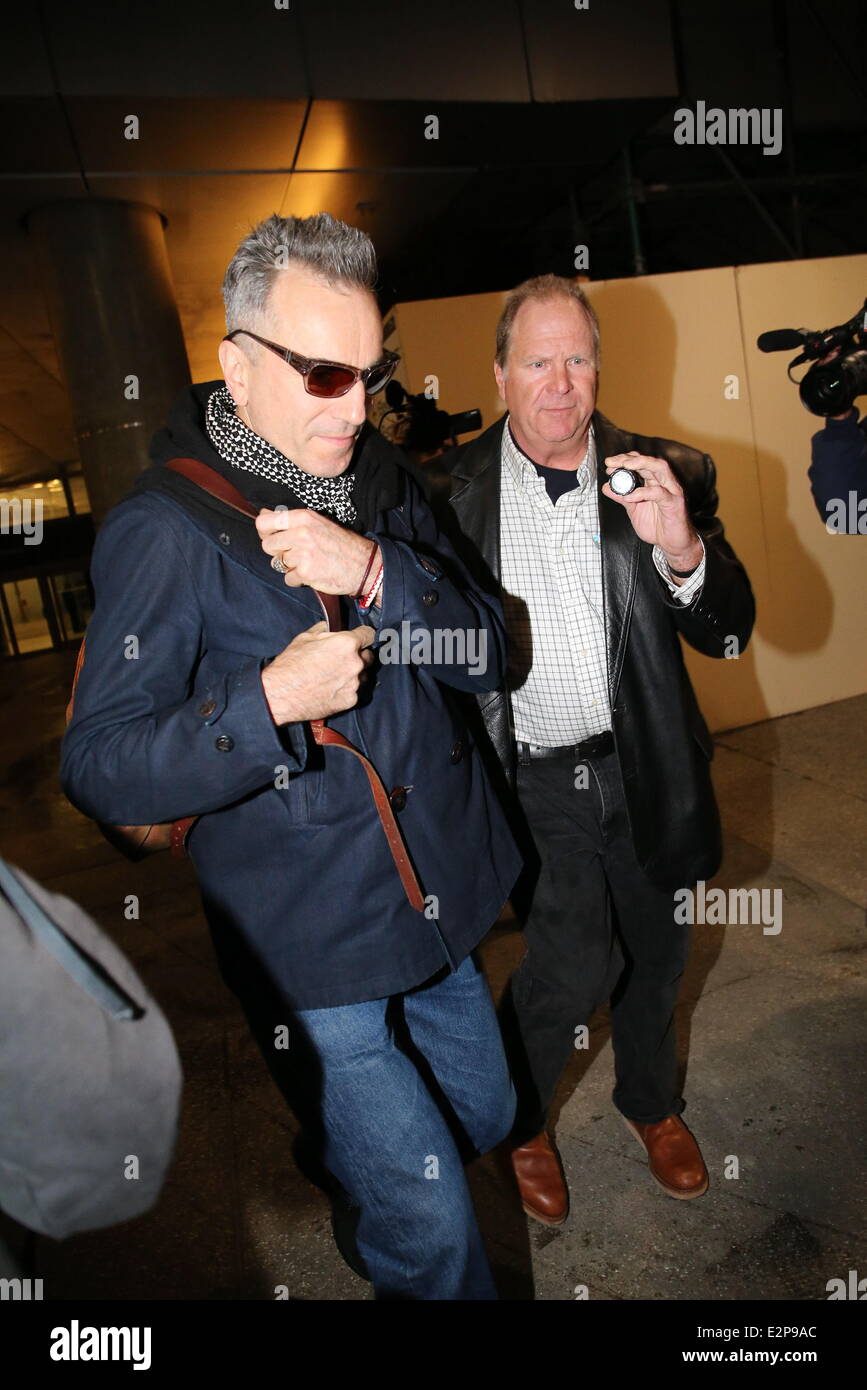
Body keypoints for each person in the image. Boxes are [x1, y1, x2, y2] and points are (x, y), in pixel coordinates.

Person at [61, 212, 522, 1300]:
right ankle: (404, 1235)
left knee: (492, 1113)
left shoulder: (384, 484)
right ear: (237, 364)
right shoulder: (163, 530)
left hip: (441, 901)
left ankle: (368, 1196)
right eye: (324, 373)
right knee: (441, 1232)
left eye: (371, 372)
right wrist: (266, 699)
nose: (356, 406)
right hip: (310, 951)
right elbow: (102, 765)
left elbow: (489, 653)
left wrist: (375, 571)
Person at [439, 274, 755, 1226]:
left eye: (577, 358)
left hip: (644, 765)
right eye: (537, 360)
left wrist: (682, 549)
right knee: (571, 967)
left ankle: (649, 1105)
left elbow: (729, 629)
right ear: (500, 373)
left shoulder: (665, 472)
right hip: (532, 777)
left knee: (658, 957)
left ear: (598, 367)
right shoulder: (443, 493)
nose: (559, 383)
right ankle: (519, 1118)